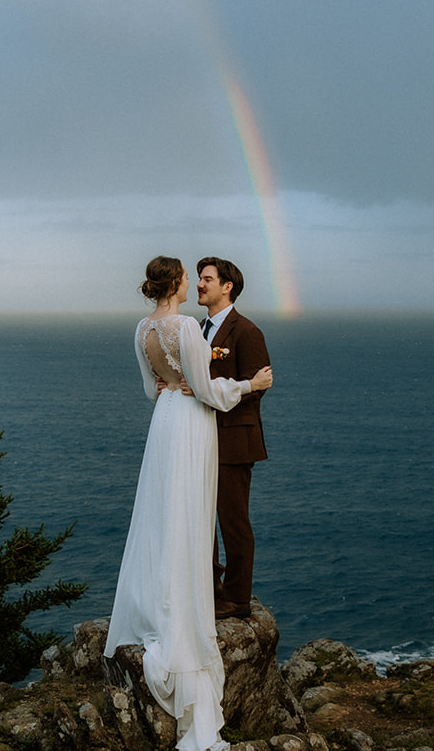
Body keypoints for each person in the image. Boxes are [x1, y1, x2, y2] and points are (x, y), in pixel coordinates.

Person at [106, 256, 274, 751]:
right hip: (195, 422)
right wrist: (250, 384)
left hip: (166, 423)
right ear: (177, 283)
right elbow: (206, 390)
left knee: (166, 511)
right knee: (190, 515)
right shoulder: (186, 326)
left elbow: (150, 389)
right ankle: (192, 599)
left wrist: (168, 387)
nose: (196, 282)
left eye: (205, 278)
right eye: (191, 276)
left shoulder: (143, 329)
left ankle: (187, 591)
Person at [196, 256, 272, 621]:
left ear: (227, 286)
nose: (199, 284)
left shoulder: (247, 331)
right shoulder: (197, 329)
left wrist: (206, 391)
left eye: (207, 279)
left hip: (234, 442)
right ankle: (211, 591)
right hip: (201, 438)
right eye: (199, 278)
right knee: (199, 520)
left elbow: (257, 387)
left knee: (233, 521)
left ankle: (238, 598)